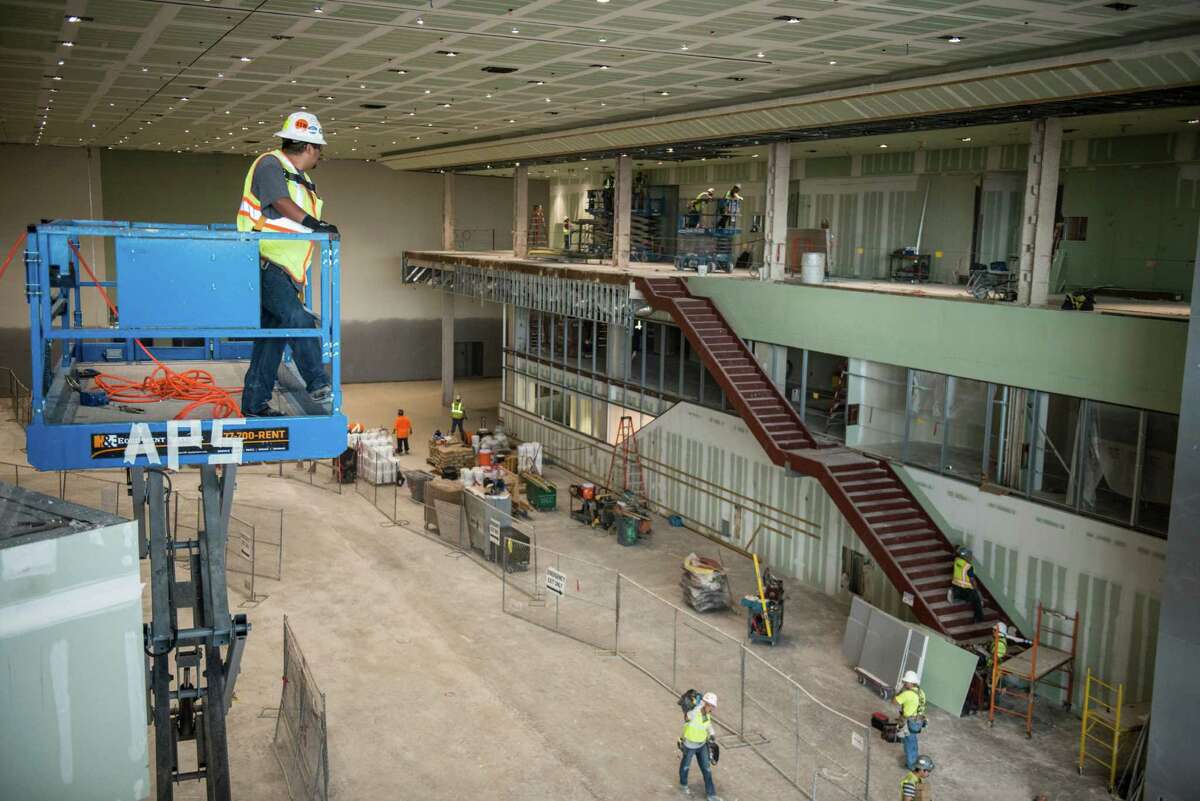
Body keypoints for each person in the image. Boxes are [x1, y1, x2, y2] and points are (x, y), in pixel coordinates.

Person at [236, 111, 337, 417]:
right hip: (265, 260)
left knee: (272, 339)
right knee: (299, 320)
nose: (319, 156)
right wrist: (315, 224)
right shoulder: (270, 164)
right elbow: (279, 202)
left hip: (286, 269)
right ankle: (318, 381)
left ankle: (254, 403)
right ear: (308, 147)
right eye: (319, 149)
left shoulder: (302, 179)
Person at [679, 691, 722, 801]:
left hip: (702, 745)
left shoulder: (706, 713)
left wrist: (711, 733)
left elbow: (708, 725)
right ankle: (683, 785)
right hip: (689, 745)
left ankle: (711, 795)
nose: (712, 708)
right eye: (711, 706)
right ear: (705, 703)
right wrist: (698, 706)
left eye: (713, 706)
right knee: (685, 766)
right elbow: (687, 717)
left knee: (707, 769)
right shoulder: (694, 712)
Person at [894, 670, 927, 771]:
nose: (904, 683)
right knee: (913, 740)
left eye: (906, 682)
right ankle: (914, 758)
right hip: (919, 721)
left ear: (911, 683)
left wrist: (898, 691)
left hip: (910, 722)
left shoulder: (907, 694)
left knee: (908, 742)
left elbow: (894, 701)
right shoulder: (921, 692)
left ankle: (911, 765)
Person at [951, 545, 985, 623]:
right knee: (977, 600)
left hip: (956, 586)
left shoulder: (957, 560)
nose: (971, 557)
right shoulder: (969, 567)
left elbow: (956, 552)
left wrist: (958, 549)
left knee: (964, 595)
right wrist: (977, 591)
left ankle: (955, 596)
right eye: (969, 555)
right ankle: (979, 618)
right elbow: (972, 580)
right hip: (966, 589)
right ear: (966, 556)